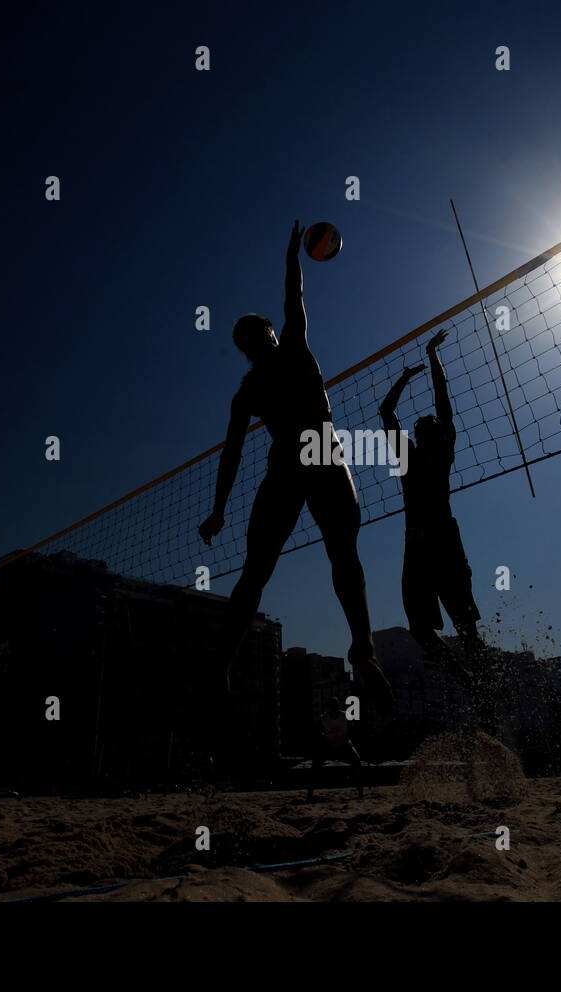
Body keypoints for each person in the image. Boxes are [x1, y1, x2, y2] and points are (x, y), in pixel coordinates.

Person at [198, 221, 393, 722]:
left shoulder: (269, 370)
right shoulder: (273, 367)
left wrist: (218, 511)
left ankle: (227, 660)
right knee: (320, 559)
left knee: (282, 566)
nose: (262, 335)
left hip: (300, 455)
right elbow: (232, 454)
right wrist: (292, 255)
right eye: (256, 333)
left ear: (254, 340)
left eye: (256, 331)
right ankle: (361, 649)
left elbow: (232, 457)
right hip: (310, 454)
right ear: (256, 340)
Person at [379, 329, 484, 688]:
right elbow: (386, 411)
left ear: (436, 431)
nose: (425, 420)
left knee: (465, 624)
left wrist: (431, 355)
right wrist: (406, 376)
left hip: (440, 538)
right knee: (420, 629)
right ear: (417, 433)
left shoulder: (441, 450)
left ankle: (483, 684)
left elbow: (443, 396)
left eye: (431, 421)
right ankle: (464, 678)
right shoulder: (408, 456)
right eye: (420, 422)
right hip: (419, 544)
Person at [306, 697, 363, 801]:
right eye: (332, 707)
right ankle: (310, 793)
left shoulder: (346, 716)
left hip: (344, 744)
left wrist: (346, 740)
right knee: (315, 765)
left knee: (356, 760)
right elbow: (317, 733)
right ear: (329, 708)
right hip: (328, 745)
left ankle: (360, 791)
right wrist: (324, 743)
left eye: (335, 707)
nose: (334, 710)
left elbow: (351, 731)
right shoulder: (324, 718)